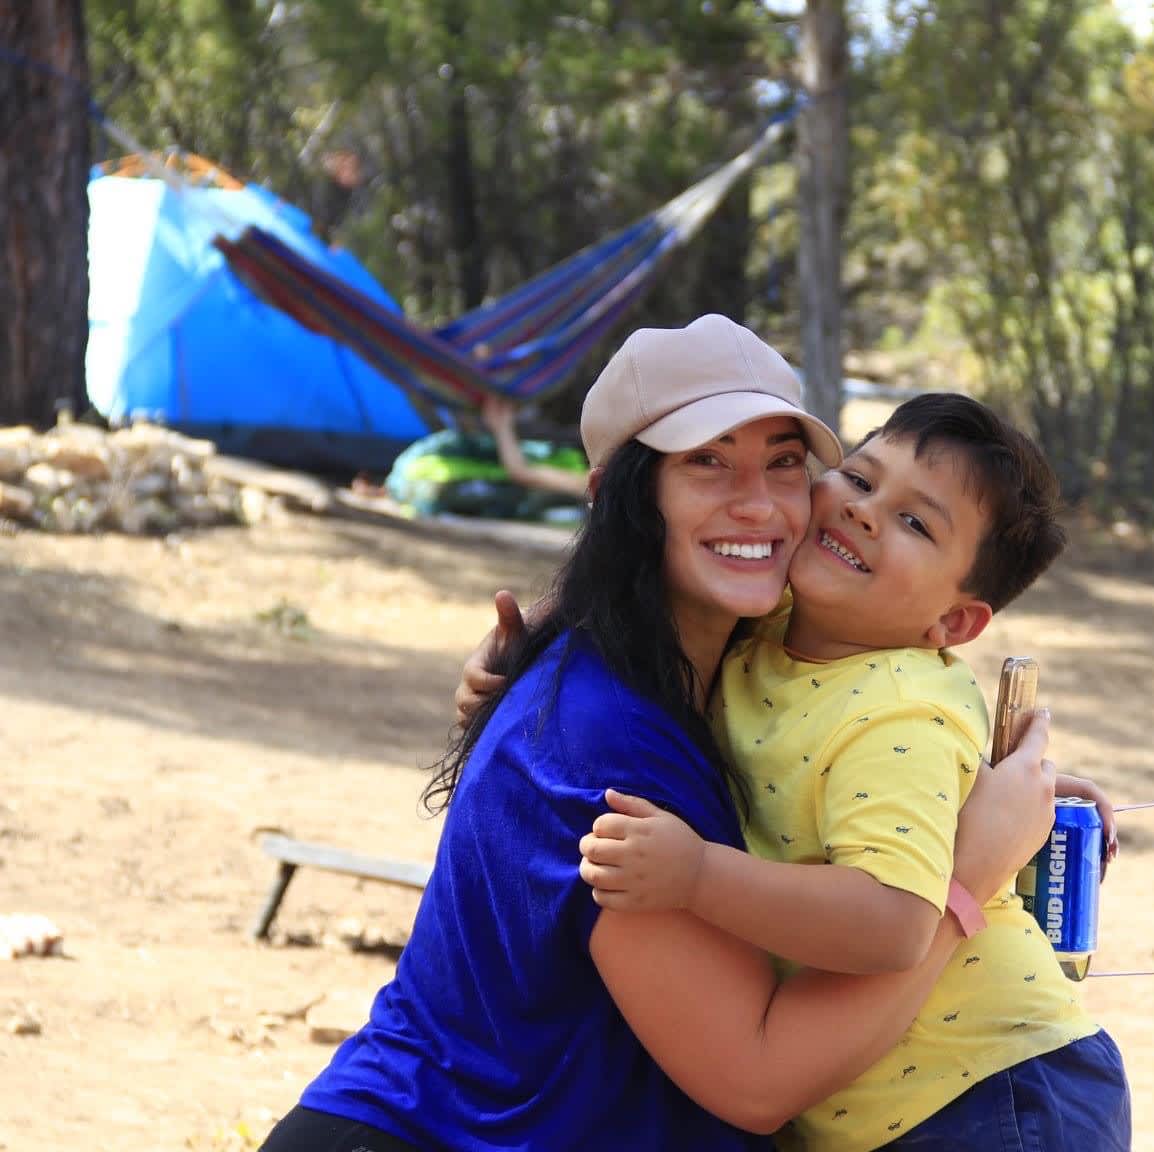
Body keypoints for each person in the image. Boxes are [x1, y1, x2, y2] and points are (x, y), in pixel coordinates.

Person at [259, 315, 1060, 1152]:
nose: (757, 501)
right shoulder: (601, 746)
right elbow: (754, 1078)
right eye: (706, 461)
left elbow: (880, 724)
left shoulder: (728, 668)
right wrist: (967, 874)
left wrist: (990, 782)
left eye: (784, 463)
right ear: (627, 495)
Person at [464, 395, 1132, 1150]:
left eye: (916, 523)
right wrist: (514, 664)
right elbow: (664, 576)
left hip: (998, 1095)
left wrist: (699, 877)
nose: (866, 513)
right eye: (859, 478)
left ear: (952, 626)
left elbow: (891, 922)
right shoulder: (776, 623)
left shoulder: (901, 711)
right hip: (906, 1107)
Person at [477, 394, 591, 500]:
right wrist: (502, 426)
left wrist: (502, 426)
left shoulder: (600, 483)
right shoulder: (599, 482)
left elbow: (522, 472)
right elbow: (522, 472)